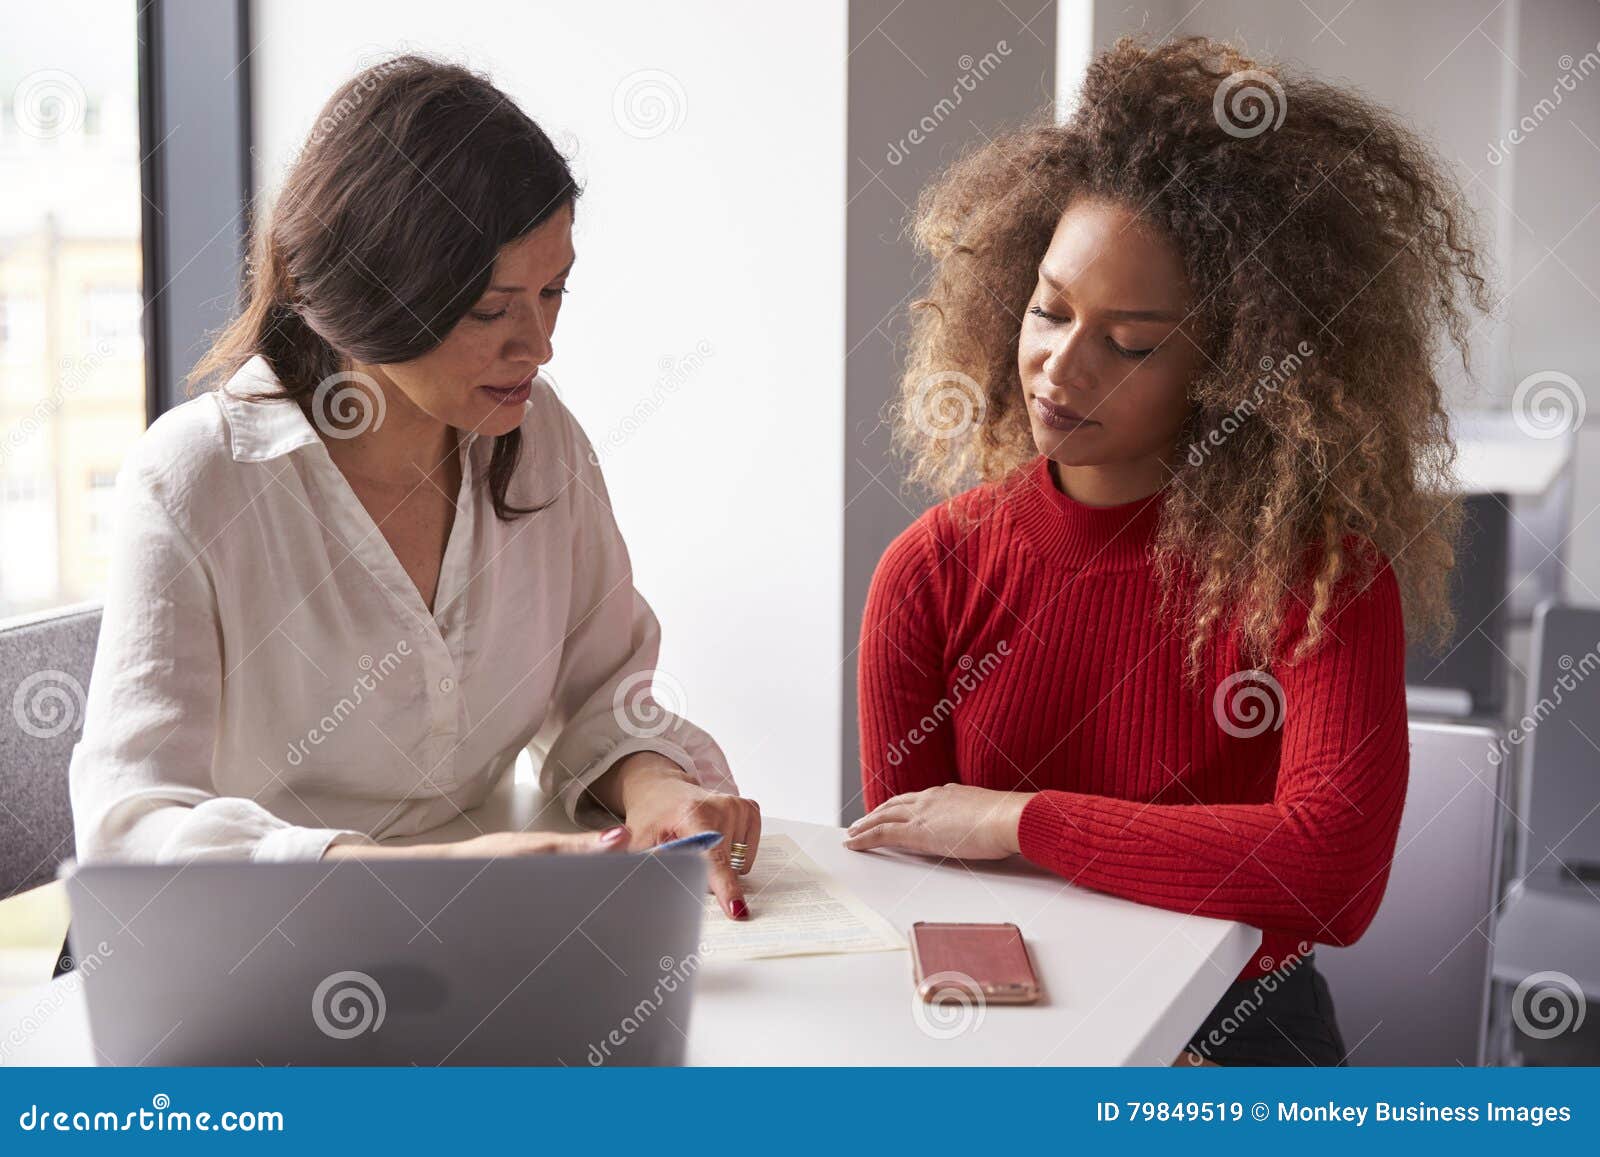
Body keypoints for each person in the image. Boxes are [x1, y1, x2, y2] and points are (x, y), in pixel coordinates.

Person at [848, 36, 1490, 1063]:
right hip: (1004, 1030)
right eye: (1048, 309)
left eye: (1130, 343)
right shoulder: (931, 570)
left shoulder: (1318, 577)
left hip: (1238, 1035)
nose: (1059, 365)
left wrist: (1022, 819)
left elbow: (1330, 873)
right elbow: (919, 873)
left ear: (1228, 365)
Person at [68, 55, 759, 921]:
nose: (539, 345)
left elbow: (601, 693)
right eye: (490, 310)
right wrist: (423, 875)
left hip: (479, 944)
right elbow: (132, 830)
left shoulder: (538, 439)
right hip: (259, 957)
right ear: (371, 294)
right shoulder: (197, 481)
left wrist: (655, 786)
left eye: (554, 292)